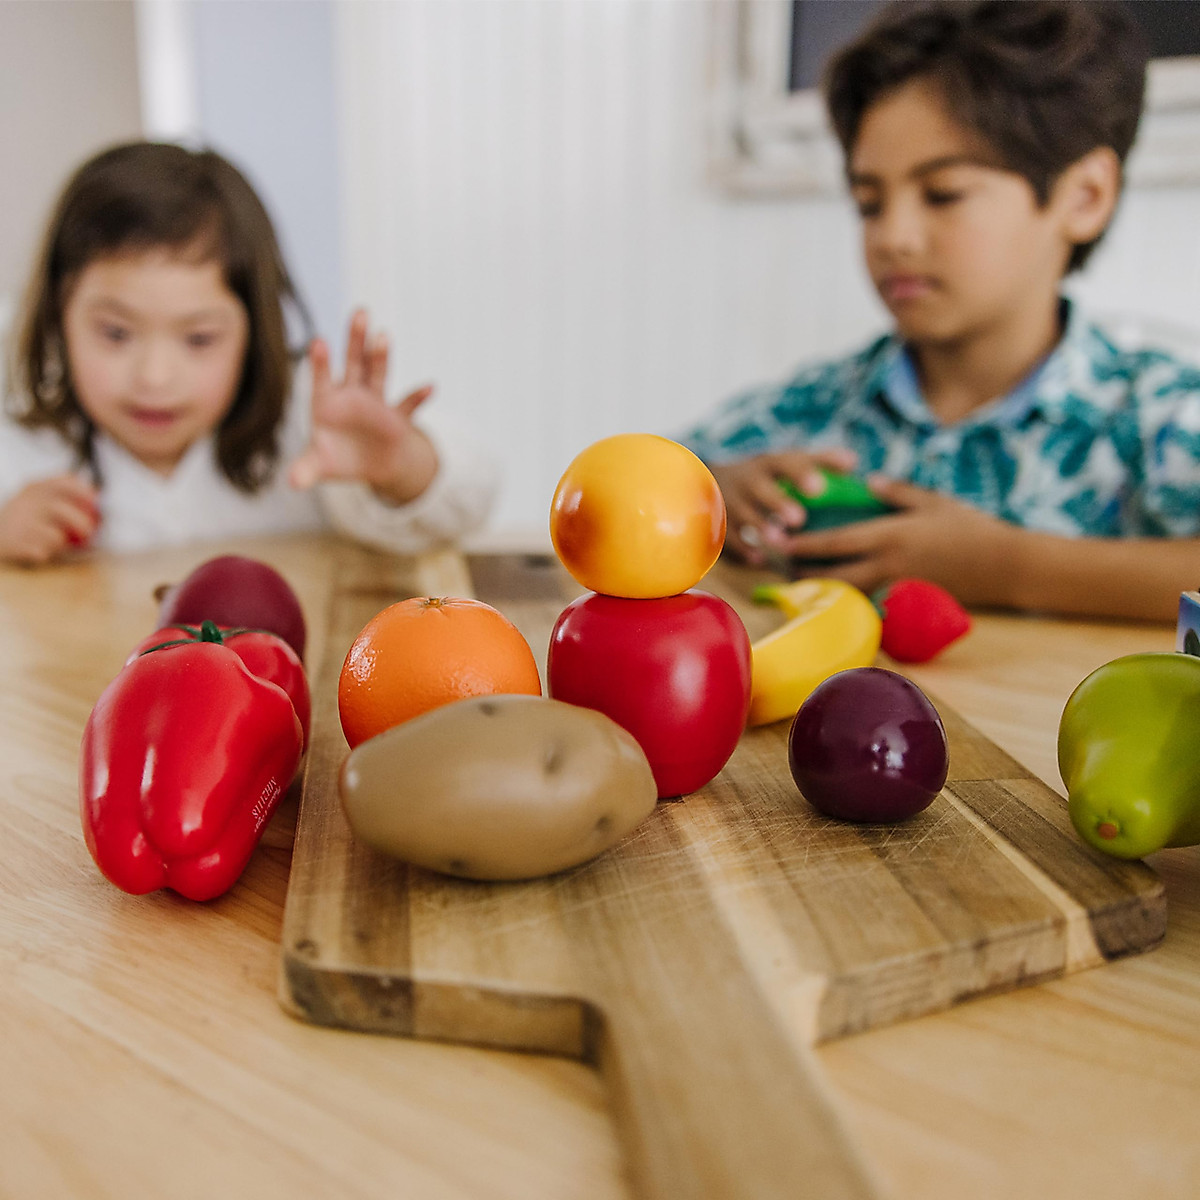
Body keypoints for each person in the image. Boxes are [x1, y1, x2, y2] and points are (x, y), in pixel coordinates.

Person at [680, 0, 1200, 622]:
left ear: (1084, 195)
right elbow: (642, 486)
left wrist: (1009, 567)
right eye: (869, 204)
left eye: (943, 194)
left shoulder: (1160, 415)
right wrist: (713, 495)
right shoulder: (813, 409)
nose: (892, 236)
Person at [0, 141, 496, 565]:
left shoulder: (310, 425)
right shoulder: (29, 442)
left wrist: (398, 466)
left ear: (255, 331)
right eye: (115, 333)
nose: (154, 377)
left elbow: (474, 496)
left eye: (198, 339)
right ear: (57, 315)